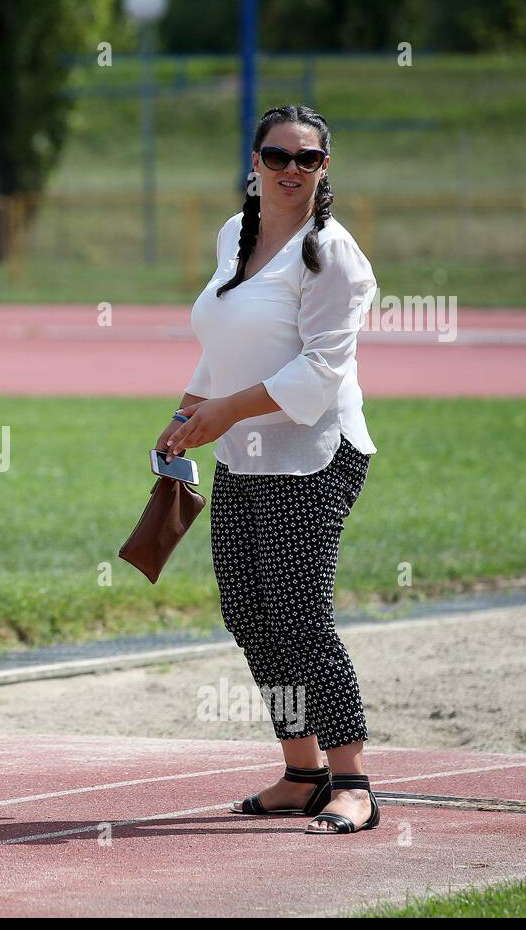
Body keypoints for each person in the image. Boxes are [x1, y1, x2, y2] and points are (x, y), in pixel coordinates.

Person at [160, 104, 381, 835]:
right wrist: (192, 409)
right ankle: (302, 770)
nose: (291, 170)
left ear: (325, 170)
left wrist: (223, 412)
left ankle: (352, 780)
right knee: (250, 614)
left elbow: (319, 373)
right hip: (242, 451)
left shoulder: (333, 255)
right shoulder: (236, 233)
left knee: (302, 617)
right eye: (276, 155)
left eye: (307, 159)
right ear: (253, 162)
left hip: (313, 453)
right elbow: (226, 336)